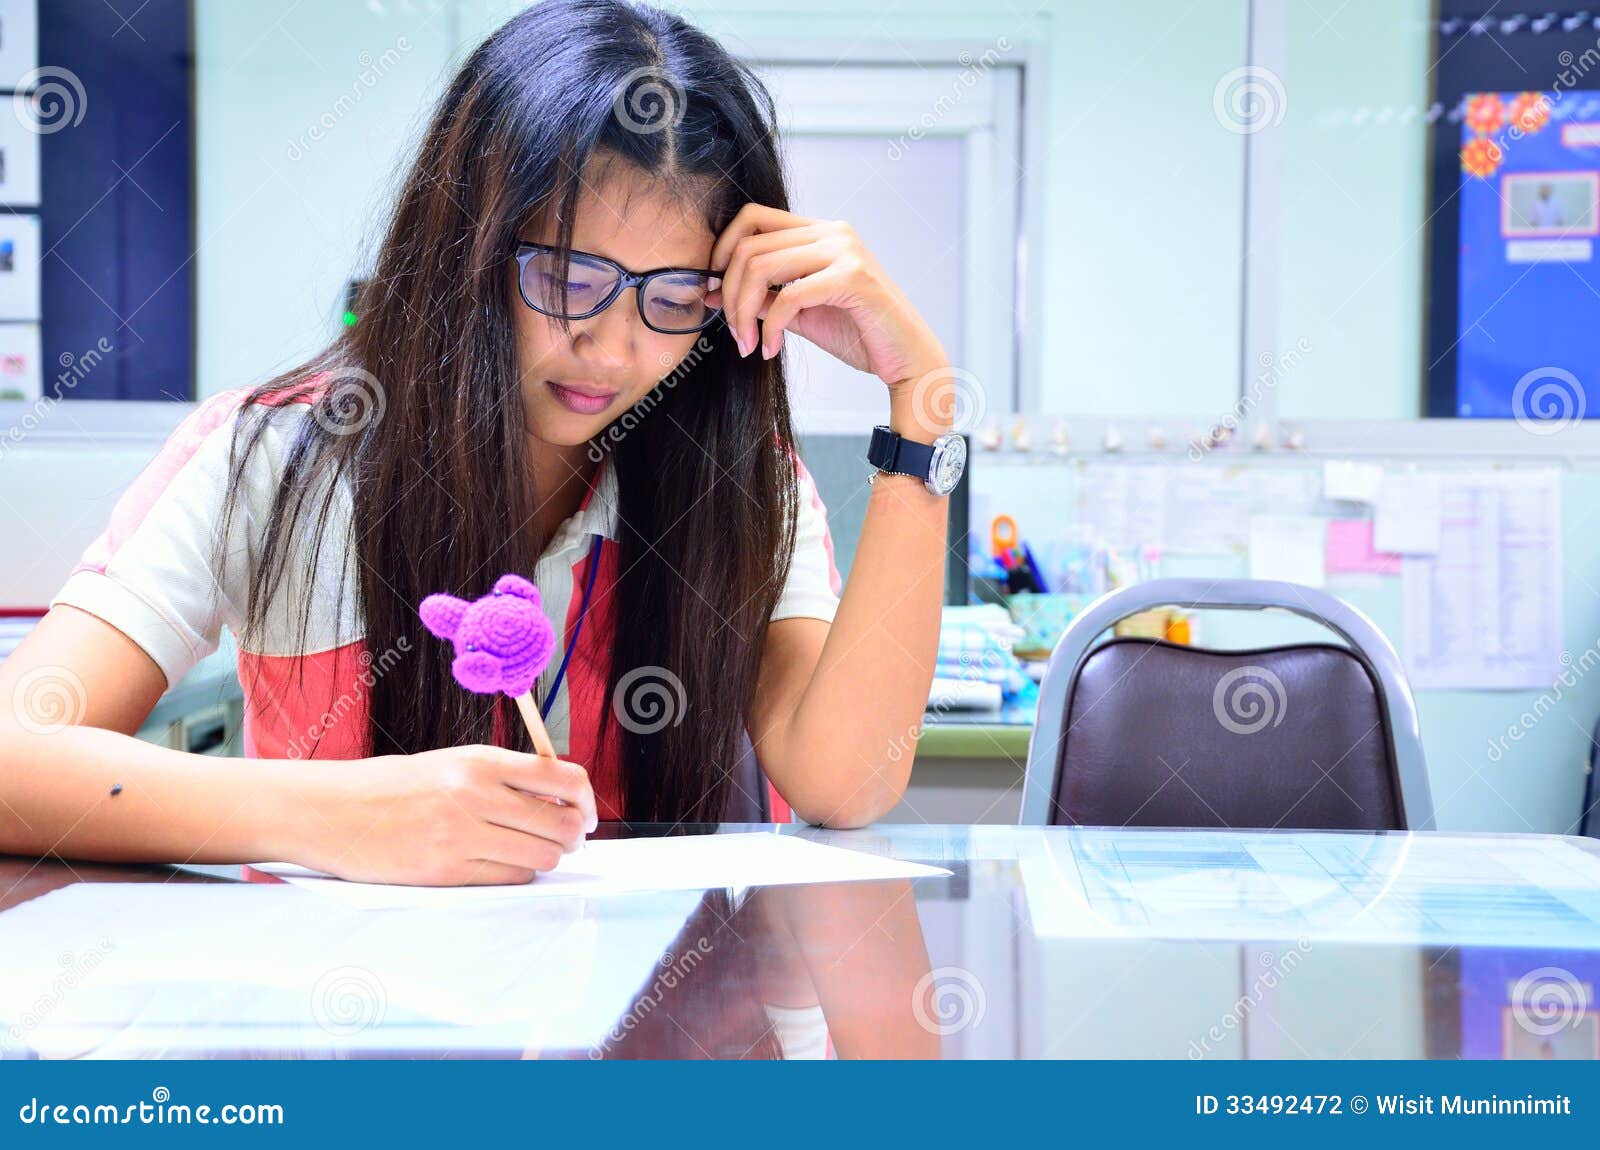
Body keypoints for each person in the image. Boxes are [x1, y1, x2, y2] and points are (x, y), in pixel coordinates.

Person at [0, 0, 961, 885]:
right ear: (466, 247)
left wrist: (919, 398)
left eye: (675, 297)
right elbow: (14, 755)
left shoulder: (742, 485)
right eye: (568, 278)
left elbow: (846, 784)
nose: (613, 348)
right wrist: (335, 816)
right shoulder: (276, 458)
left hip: (651, 1013)